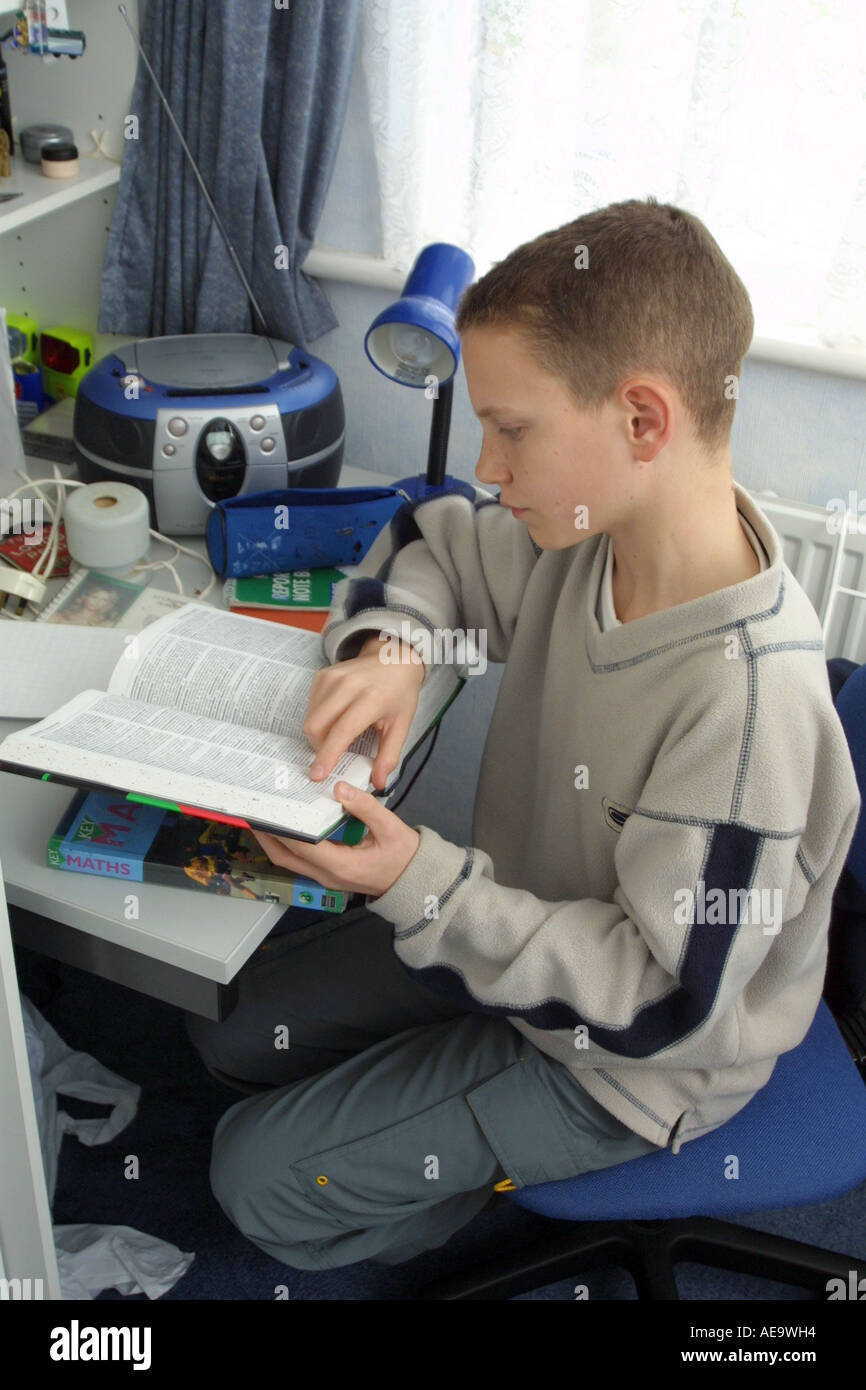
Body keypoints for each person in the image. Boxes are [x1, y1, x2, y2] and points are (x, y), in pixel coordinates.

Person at [184, 197, 861, 1273]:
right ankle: (444, 1077)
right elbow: (430, 538)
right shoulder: (588, 536)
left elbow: (657, 1001)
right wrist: (397, 645)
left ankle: (500, 1179)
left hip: (629, 1065)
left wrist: (417, 884)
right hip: (513, 916)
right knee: (224, 1033)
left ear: (641, 422)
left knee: (252, 1180)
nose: (489, 469)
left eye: (513, 429)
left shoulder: (744, 708)